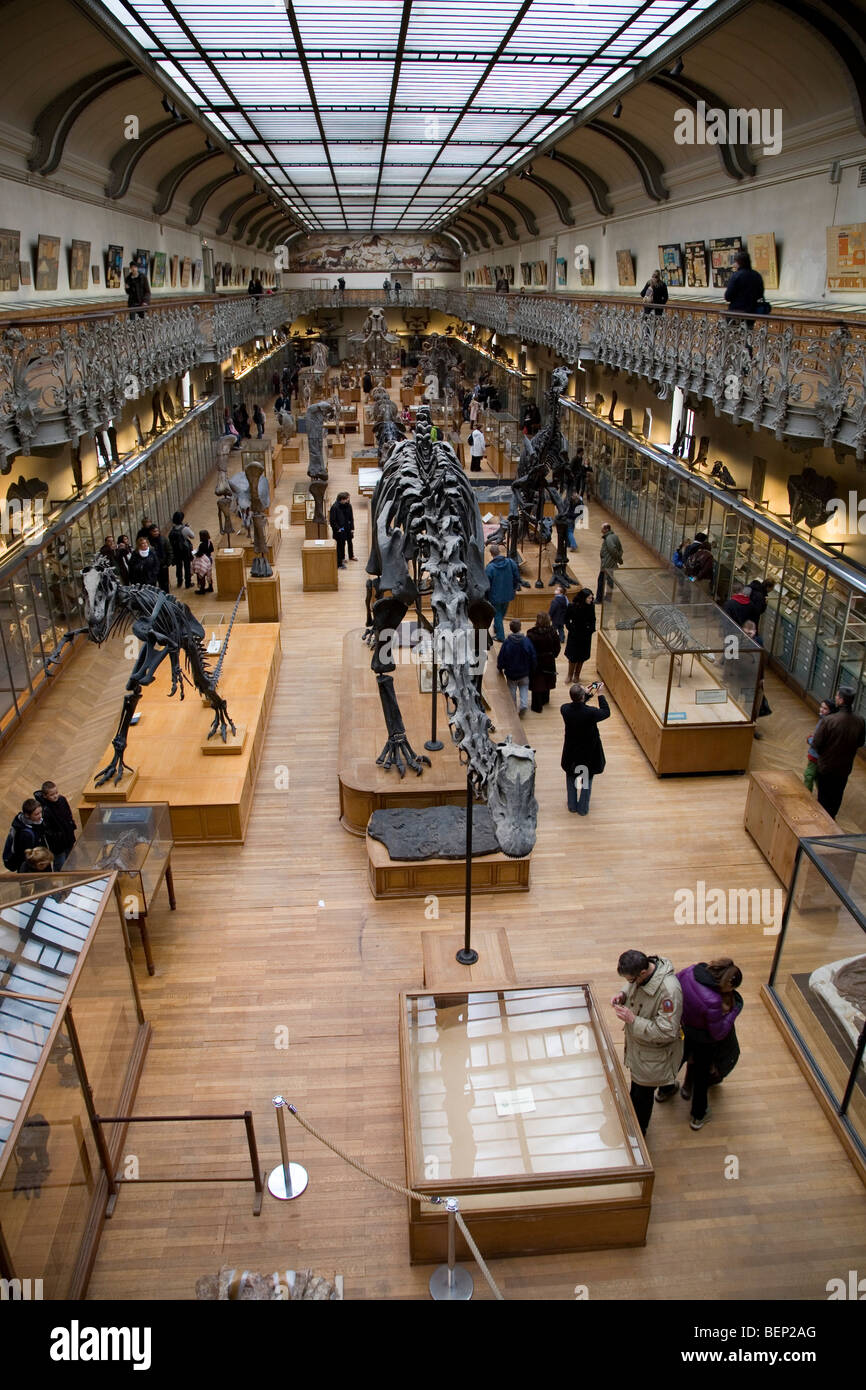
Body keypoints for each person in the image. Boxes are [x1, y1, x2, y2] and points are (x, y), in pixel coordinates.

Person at [611, 949, 683, 1136]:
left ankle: (638, 1132)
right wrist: (623, 994)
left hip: (653, 1054)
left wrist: (633, 1020)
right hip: (642, 1049)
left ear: (643, 973)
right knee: (638, 1088)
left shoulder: (669, 992)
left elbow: (667, 1031)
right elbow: (633, 987)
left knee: (642, 1096)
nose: (630, 984)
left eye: (631, 980)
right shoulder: (645, 972)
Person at [677, 958, 744, 1131]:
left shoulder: (690, 971)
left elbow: (675, 985)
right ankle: (698, 1115)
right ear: (728, 984)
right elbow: (718, 1032)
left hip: (682, 1028)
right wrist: (734, 1011)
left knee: (676, 1060)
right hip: (703, 1040)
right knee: (701, 1076)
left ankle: (666, 1090)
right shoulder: (713, 1001)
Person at [811, 685, 866, 819]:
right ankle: (831, 821)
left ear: (841, 700)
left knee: (823, 798)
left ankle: (822, 825)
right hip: (844, 768)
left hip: (826, 767)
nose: (835, 698)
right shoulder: (860, 721)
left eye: (837, 696)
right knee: (836, 798)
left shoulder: (829, 720)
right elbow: (860, 742)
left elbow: (816, 743)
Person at [560, 681, 609, 814]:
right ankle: (582, 809)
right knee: (586, 780)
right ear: (582, 697)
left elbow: (577, 706)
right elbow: (606, 712)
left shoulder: (564, 709)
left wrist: (584, 694)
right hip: (588, 753)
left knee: (571, 777)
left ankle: (572, 805)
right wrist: (600, 694)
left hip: (571, 752)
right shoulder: (591, 713)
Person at [497, 619, 536, 716]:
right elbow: (533, 656)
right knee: (524, 689)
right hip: (524, 673)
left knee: (512, 692)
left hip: (511, 674)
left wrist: (500, 667)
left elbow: (502, 656)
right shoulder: (527, 641)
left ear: (510, 628)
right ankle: (523, 705)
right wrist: (533, 668)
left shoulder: (507, 642)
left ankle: (513, 708)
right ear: (520, 627)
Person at [34, 781, 76, 869]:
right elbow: (46, 828)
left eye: (56, 793)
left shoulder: (62, 799)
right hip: (57, 844)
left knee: (71, 859)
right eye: (52, 794)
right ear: (45, 796)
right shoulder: (44, 809)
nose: (56, 796)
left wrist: (71, 826)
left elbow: (69, 815)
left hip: (68, 837)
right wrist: (57, 836)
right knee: (60, 863)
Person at [485, 543, 521, 643]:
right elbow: (517, 576)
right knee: (501, 613)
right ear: (499, 552)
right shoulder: (510, 562)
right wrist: (513, 588)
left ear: (491, 554)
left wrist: (487, 596)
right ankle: (497, 627)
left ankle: (500, 636)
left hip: (495, 596)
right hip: (508, 593)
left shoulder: (490, 568)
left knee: (498, 615)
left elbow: (487, 584)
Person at [3, 799, 49, 873]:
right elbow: (27, 856)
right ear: (27, 815)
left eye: (41, 812)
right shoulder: (25, 834)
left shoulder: (36, 822)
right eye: (37, 814)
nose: (40, 816)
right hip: (35, 867)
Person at [527, 612, 560, 713]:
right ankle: (545, 699)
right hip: (549, 660)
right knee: (547, 679)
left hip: (536, 661)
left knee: (537, 681)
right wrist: (553, 655)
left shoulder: (531, 633)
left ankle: (537, 706)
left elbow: (529, 649)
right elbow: (557, 648)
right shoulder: (553, 632)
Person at [564, 587, 596, 685]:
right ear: (583, 598)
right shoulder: (572, 606)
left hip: (585, 635)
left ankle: (577, 675)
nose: (591, 600)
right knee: (572, 656)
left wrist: (590, 630)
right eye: (589, 598)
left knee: (581, 656)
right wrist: (570, 628)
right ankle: (569, 674)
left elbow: (593, 619)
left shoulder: (591, 606)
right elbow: (566, 618)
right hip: (574, 634)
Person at [804, 698, 833, 791]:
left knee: (809, 775)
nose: (821, 709)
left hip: (816, 756)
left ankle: (807, 797)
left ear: (830, 711)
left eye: (825, 709)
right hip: (820, 757)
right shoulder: (826, 721)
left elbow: (818, 741)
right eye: (821, 707)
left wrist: (809, 739)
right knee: (817, 778)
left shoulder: (825, 722)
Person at [724, 249, 765, 316]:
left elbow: (728, 296)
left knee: (734, 326)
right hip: (752, 311)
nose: (734, 264)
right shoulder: (756, 275)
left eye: (735, 262)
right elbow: (760, 293)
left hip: (736, 311)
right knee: (749, 326)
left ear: (738, 263)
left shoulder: (736, 276)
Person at [596, 523, 623, 603]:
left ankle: (599, 599)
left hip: (606, 564)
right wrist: (617, 559)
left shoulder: (609, 538)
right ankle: (608, 597)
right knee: (610, 581)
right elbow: (620, 549)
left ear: (606, 529)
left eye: (602, 529)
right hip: (610, 563)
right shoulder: (615, 536)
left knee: (601, 581)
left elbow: (613, 550)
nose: (601, 530)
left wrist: (619, 560)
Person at [168, 510, 194, 590]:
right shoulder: (185, 529)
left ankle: (179, 582)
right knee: (187, 566)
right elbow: (192, 536)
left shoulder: (172, 530)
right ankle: (188, 583)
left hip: (176, 551)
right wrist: (188, 528)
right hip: (185, 550)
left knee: (178, 566)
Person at [329, 492, 355, 568]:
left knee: (350, 541)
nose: (348, 500)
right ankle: (341, 560)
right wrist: (339, 529)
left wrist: (352, 528)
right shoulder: (334, 507)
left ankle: (351, 556)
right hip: (340, 529)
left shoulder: (348, 506)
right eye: (347, 498)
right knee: (341, 544)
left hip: (347, 528)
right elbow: (332, 521)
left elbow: (351, 518)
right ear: (342, 499)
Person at [146, 525, 170, 592]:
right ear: (150, 532)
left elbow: (169, 551)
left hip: (163, 565)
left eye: (157, 531)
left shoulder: (163, 539)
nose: (156, 533)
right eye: (154, 531)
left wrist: (167, 563)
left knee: (165, 584)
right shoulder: (147, 542)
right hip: (153, 567)